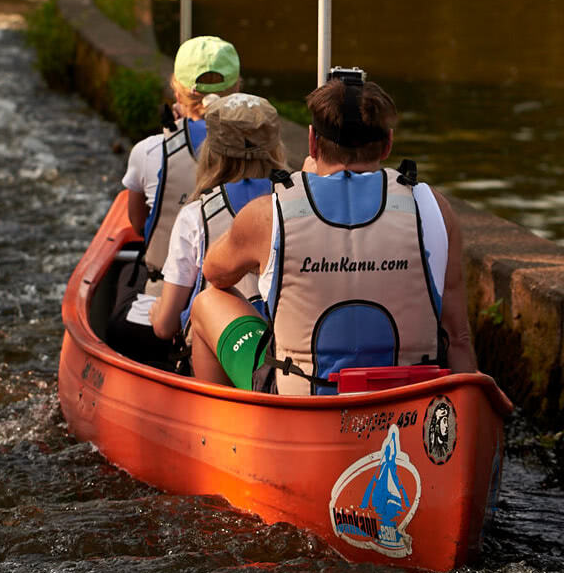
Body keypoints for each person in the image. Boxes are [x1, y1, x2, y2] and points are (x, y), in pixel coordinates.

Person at [188, 71, 477, 394]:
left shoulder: (268, 213)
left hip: (301, 403)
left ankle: (225, 432)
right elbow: (458, 336)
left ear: (312, 141)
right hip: (406, 401)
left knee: (207, 301)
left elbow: (215, 272)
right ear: (388, 144)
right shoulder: (432, 207)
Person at [106, 35, 241, 368]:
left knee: (128, 277)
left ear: (177, 91)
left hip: (162, 306)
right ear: (238, 89)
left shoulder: (149, 151)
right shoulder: (264, 158)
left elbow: (139, 224)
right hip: (239, 312)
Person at [147, 93, 288, 364]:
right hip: (284, 355)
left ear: (211, 150)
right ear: (275, 147)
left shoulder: (195, 216)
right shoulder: (298, 206)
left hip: (220, 362)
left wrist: (157, 314)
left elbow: (165, 327)